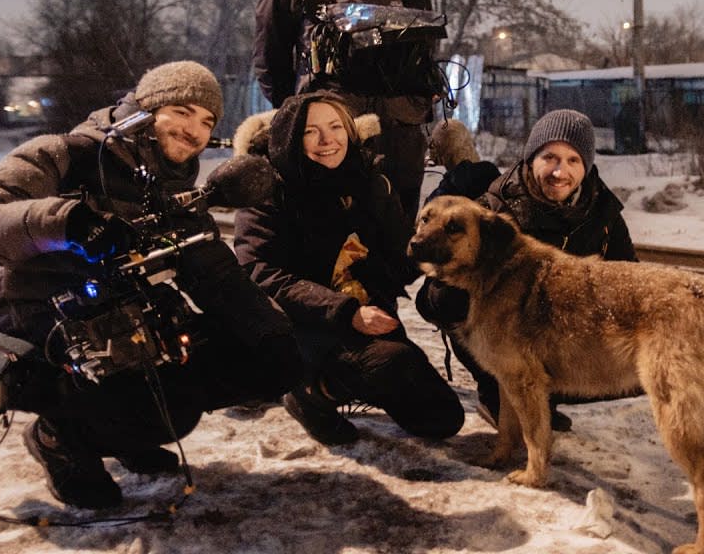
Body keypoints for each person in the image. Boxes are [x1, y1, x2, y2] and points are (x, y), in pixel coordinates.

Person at [0, 61, 302, 510]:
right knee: (159, 411)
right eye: (183, 111)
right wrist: (67, 224)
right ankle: (60, 438)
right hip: (39, 322)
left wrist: (274, 337)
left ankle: (124, 423)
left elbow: (217, 275)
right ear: (145, 108)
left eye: (207, 120)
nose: (195, 129)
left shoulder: (173, 191)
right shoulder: (65, 154)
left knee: (257, 355)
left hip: (128, 326)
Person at [232, 92, 464, 445]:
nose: (328, 140)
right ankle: (310, 392)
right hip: (304, 326)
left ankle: (358, 376)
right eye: (311, 131)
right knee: (390, 364)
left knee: (442, 418)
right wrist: (344, 312)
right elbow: (258, 272)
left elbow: (401, 254)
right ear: (291, 137)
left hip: (368, 314)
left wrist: (446, 254)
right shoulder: (266, 190)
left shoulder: (367, 179)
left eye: (336, 126)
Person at [416, 109, 638, 431]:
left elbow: (628, 278)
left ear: (586, 167)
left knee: (645, 365)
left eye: (573, 160)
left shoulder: (603, 214)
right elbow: (432, 296)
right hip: (507, 339)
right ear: (531, 159)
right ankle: (497, 390)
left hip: (565, 338)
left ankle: (543, 397)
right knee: (457, 307)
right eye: (550, 157)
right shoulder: (492, 210)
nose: (560, 171)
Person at [252, 0, 441, 230]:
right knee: (324, 238)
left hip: (400, 142)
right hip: (328, 139)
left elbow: (424, 62)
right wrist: (296, 116)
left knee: (392, 249)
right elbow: (269, 56)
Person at [424, 118, 501, 203]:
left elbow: (428, 210)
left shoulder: (448, 188)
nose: (430, 147)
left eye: (433, 144)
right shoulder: (489, 170)